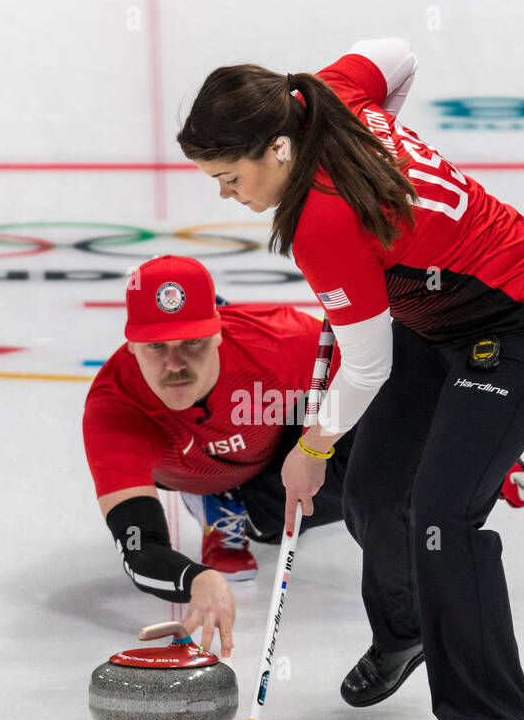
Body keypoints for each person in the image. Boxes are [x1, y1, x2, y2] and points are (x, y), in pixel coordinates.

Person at [178, 38, 524, 720]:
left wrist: (309, 449)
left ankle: (493, 717)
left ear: (277, 148)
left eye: (229, 177)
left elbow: (364, 368)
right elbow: (394, 52)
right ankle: (407, 631)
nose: (225, 196)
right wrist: (380, 160)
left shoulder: (325, 221)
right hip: (435, 320)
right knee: (371, 491)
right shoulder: (320, 96)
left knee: (442, 517)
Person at [82, 254, 354, 656]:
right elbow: (140, 548)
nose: (175, 364)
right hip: (187, 463)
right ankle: (216, 494)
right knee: (275, 522)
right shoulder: (116, 408)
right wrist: (196, 579)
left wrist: (317, 446)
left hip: (279, 444)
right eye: (156, 346)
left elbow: (374, 380)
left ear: (218, 333)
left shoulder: (283, 341)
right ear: (132, 345)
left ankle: (243, 503)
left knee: (366, 481)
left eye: (192, 341)